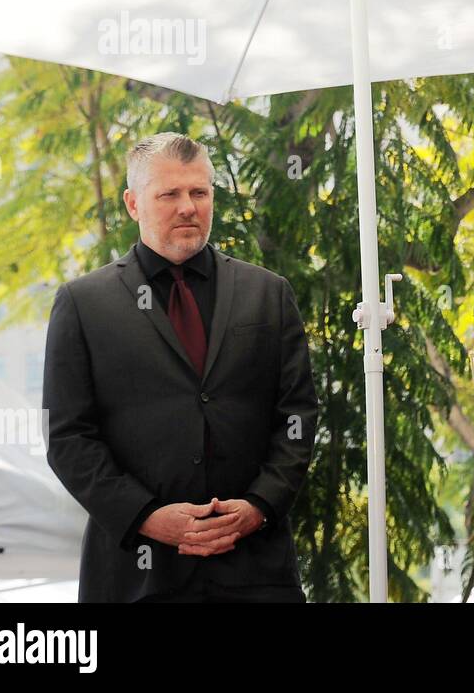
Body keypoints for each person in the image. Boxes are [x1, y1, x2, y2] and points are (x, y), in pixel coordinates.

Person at [43, 132, 318, 602]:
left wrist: (258, 505)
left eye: (199, 192)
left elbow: (298, 416)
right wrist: (147, 517)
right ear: (133, 204)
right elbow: (68, 437)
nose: (187, 207)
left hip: (256, 572)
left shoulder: (267, 294)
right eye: (169, 194)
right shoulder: (83, 304)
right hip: (135, 577)